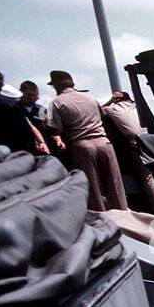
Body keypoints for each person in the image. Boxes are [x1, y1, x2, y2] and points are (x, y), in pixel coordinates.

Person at [44, 70, 127, 211]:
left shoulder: (56, 103)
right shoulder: (90, 98)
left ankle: (102, 221)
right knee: (115, 185)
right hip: (104, 143)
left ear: (56, 86)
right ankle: (125, 215)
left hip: (83, 146)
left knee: (93, 189)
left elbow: (54, 128)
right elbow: (102, 116)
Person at [101, 91, 154, 212]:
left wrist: (111, 100)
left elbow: (99, 110)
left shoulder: (114, 109)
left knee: (147, 179)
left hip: (138, 144)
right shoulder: (137, 108)